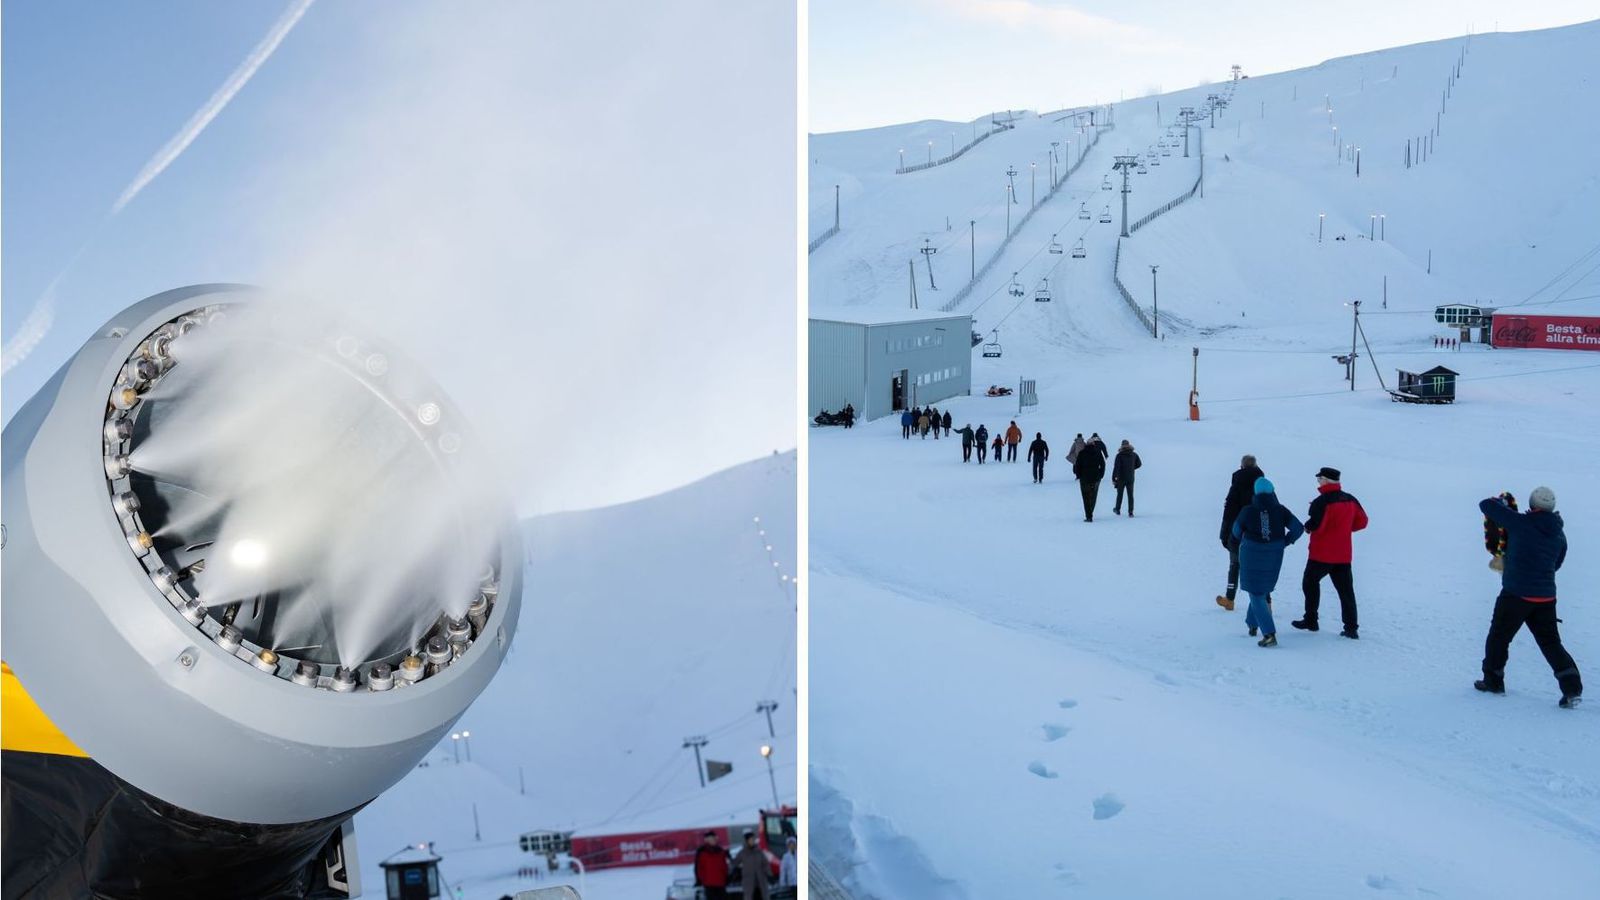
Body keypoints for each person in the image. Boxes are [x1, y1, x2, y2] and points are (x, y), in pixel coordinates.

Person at [1476, 487, 1582, 707]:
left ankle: (1493, 681)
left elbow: (1485, 504)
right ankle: (1572, 688)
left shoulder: (1519, 523)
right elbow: (1557, 564)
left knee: (1499, 637)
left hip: (1516, 594)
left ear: (1532, 505)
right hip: (1545, 597)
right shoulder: (1559, 534)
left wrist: (1502, 501)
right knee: (1551, 643)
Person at [1293, 466, 1369, 639]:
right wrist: (1345, 530)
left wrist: (1307, 527)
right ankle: (1351, 628)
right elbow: (1362, 521)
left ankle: (1311, 619)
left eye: (1320, 479)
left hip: (1321, 554)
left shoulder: (1321, 502)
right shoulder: (1350, 499)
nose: (1318, 482)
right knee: (1346, 591)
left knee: (1310, 583)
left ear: (1326, 481)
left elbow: (1316, 524)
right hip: (1343, 554)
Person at [1230, 477, 1305, 647]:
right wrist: (1285, 541)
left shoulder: (1247, 511)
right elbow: (1298, 528)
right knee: (1260, 590)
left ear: (1255, 493)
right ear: (1272, 492)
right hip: (1274, 553)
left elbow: (1235, 531)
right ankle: (1252, 623)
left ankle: (1269, 634)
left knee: (1255, 592)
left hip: (1251, 553)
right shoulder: (1281, 510)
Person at [1216, 454, 1265, 611]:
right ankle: (1266, 601)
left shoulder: (1237, 483)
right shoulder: (1262, 485)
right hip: (1257, 531)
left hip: (1237, 531)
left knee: (1235, 564)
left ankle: (1230, 599)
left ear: (1242, 466)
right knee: (1258, 567)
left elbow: (1229, 509)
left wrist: (1224, 533)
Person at [1072, 436, 1105, 521]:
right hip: (1096, 478)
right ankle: (1091, 511)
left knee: (1085, 497)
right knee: (1093, 496)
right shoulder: (1098, 453)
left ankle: (1088, 516)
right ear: (1094, 444)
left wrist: (1078, 475)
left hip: (1084, 478)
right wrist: (1101, 474)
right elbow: (1103, 464)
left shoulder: (1082, 453)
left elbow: (1077, 465)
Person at [694, 830, 733, 900]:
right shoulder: (702, 851)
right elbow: (699, 868)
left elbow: (724, 866)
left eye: (714, 838)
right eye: (711, 838)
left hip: (720, 882)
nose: (713, 840)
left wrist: (726, 877)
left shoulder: (720, 851)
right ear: (706, 840)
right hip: (709, 884)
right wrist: (700, 880)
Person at [734, 830, 771, 900]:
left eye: (753, 839)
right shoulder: (742, 853)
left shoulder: (759, 852)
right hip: (749, 883)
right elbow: (735, 863)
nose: (752, 841)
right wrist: (735, 870)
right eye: (750, 839)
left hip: (761, 882)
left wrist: (769, 874)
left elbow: (765, 864)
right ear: (746, 841)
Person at [1111, 440, 1142, 516]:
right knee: (1130, 495)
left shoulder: (1119, 455)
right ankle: (1130, 511)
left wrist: (1114, 478)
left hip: (1121, 477)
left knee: (1120, 494)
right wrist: (1131, 468)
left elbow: (1116, 467)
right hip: (1130, 477)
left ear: (1121, 446)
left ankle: (1117, 509)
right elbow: (1139, 464)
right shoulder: (1134, 454)